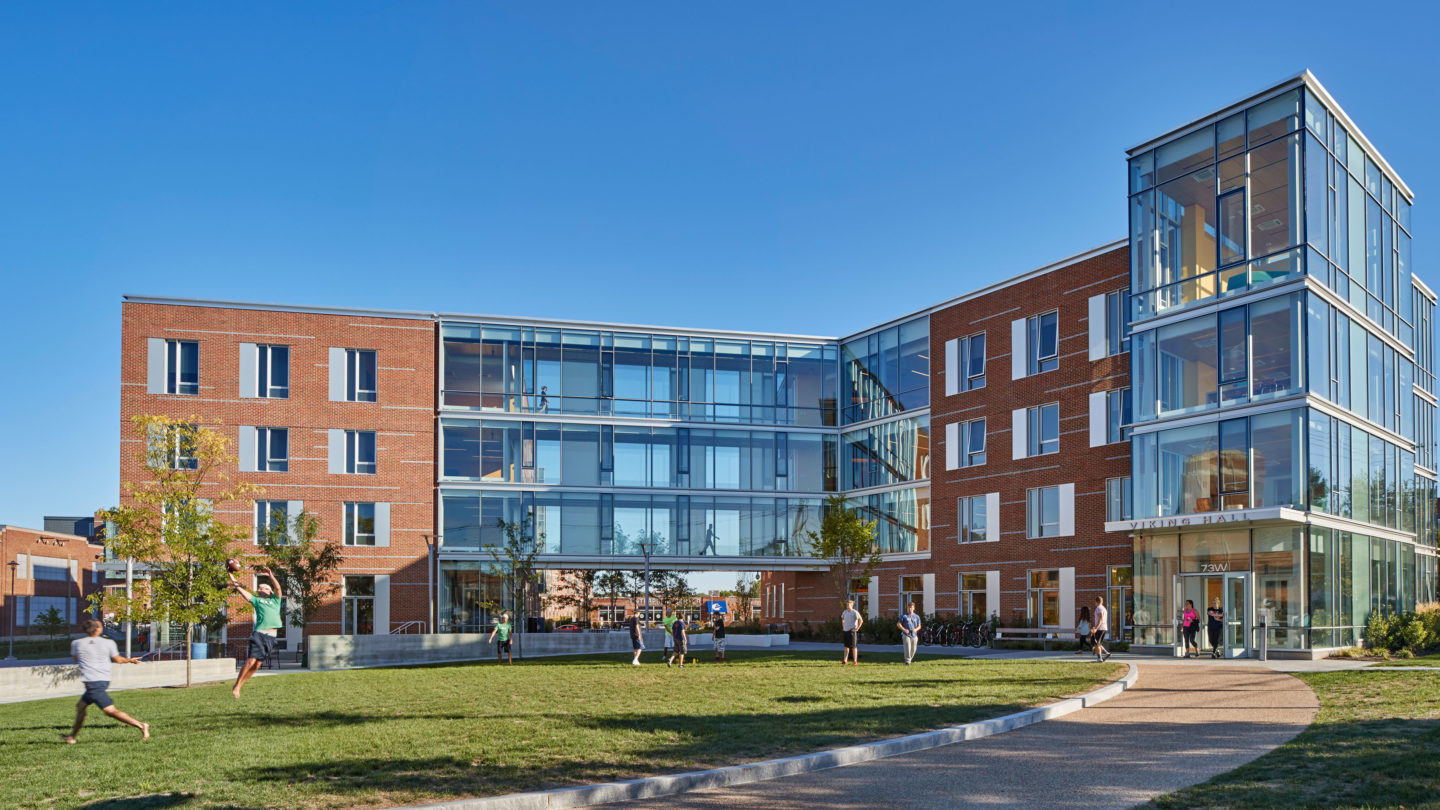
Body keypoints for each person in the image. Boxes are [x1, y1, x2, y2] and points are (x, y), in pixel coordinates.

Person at [63, 618, 149, 743]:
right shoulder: (108, 643)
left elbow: (77, 658)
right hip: (101, 680)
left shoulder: (76, 643)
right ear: (97, 629)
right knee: (81, 707)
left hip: (93, 682)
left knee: (109, 710)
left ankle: (141, 725)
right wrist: (131, 660)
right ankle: (72, 737)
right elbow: (118, 660)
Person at [230, 566, 283, 699]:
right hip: (259, 633)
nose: (260, 589)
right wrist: (231, 575)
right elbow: (240, 589)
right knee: (250, 661)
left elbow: (278, 588)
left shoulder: (276, 600)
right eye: (258, 588)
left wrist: (270, 575)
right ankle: (237, 686)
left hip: (271, 637)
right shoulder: (256, 600)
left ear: (269, 591)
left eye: (263, 587)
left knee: (257, 665)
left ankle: (240, 684)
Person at [840, 599, 863, 665]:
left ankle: (855, 661)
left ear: (852, 605)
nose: (847, 606)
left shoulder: (855, 612)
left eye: (848, 604)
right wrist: (843, 627)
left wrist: (857, 628)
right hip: (845, 631)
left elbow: (861, 620)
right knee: (846, 646)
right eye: (846, 604)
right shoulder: (844, 612)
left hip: (852, 632)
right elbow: (842, 619)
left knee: (854, 647)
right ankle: (845, 660)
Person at [1091, 596, 1111, 663]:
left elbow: (1100, 619)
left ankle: (1099, 658)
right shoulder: (1103, 608)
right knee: (1097, 642)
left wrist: (1096, 628)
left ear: (1096, 601)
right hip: (1103, 627)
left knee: (1097, 644)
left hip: (1100, 628)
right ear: (1102, 601)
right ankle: (1106, 653)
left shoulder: (1099, 608)